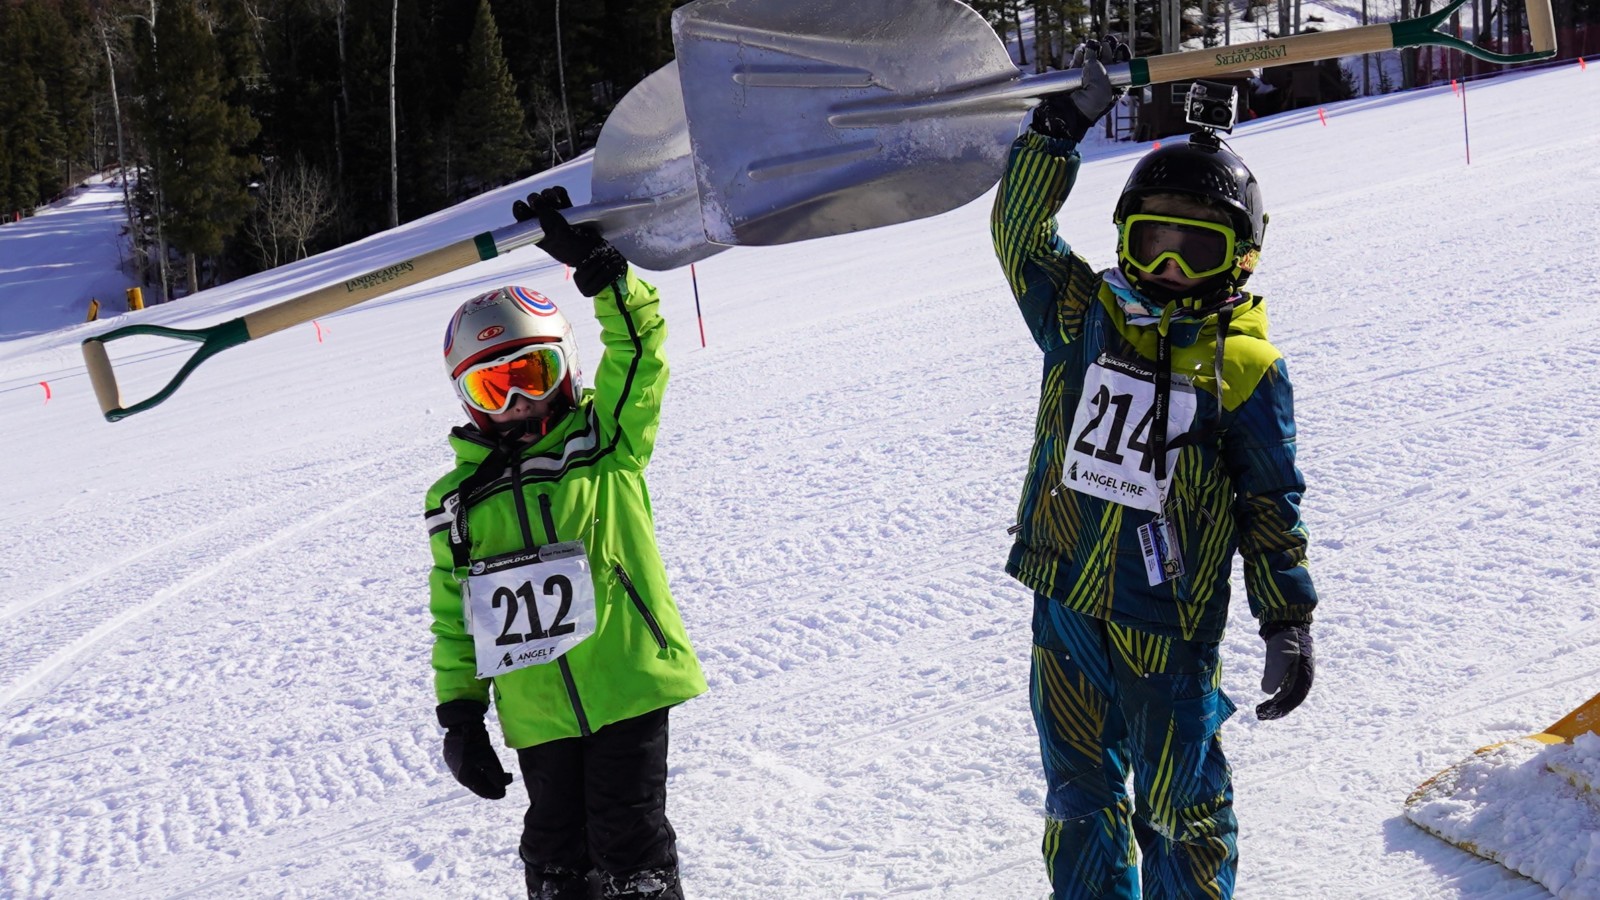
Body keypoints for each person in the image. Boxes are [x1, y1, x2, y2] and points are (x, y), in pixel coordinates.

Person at [992, 38, 1318, 899]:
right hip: (1065, 593)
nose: (1170, 267)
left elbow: (1269, 504)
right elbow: (1020, 234)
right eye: (1153, 241)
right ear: (1125, 240)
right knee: (1079, 795)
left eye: (1196, 250)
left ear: (1241, 258)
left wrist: (1286, 616)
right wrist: (1055, 133)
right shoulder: (1082, 314)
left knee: (1181, 806)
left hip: (1165, 616)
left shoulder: (1245, 369)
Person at [423, 186, 705, 900]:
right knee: (553, 854)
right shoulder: (456, 502)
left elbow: (640, 352)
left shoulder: (603, 442)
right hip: (536, 706)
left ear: (565, 368)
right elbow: (457, 614)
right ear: (466, 398)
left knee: (628, 839)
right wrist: (460, 713)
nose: (517, 403)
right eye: (494, 388)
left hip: (627, 683)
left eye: (531, 376)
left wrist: (604, 273)